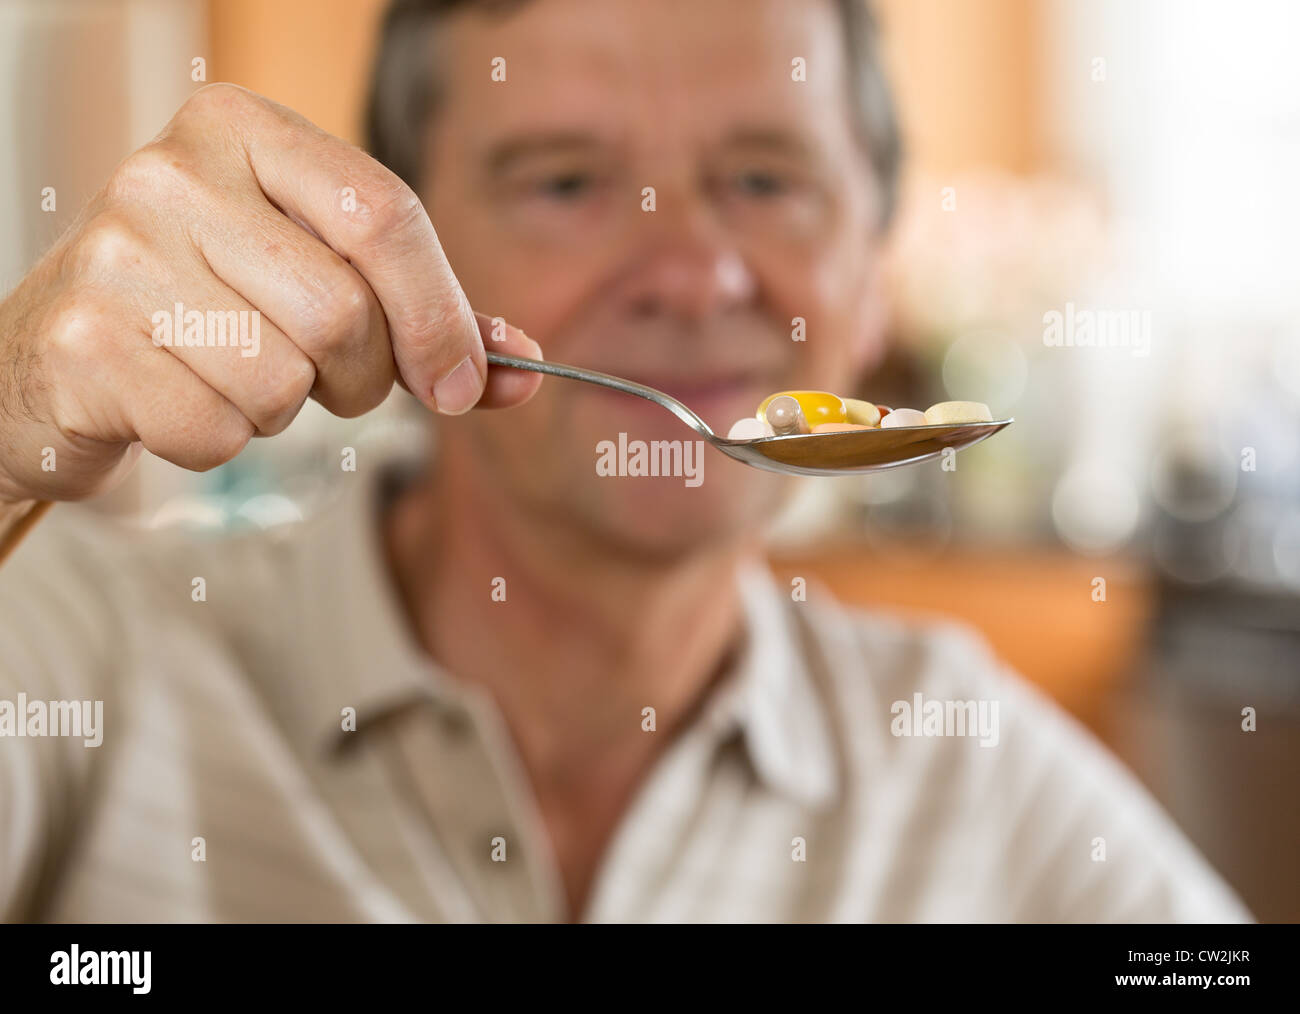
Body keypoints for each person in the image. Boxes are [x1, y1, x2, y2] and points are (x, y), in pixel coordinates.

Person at [0, 0, 1250, 922]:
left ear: (871, 282)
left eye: (765, 177)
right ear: (384, 260)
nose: (693, 271)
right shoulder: (87, 652)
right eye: (565, 183)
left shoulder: (958, 764)